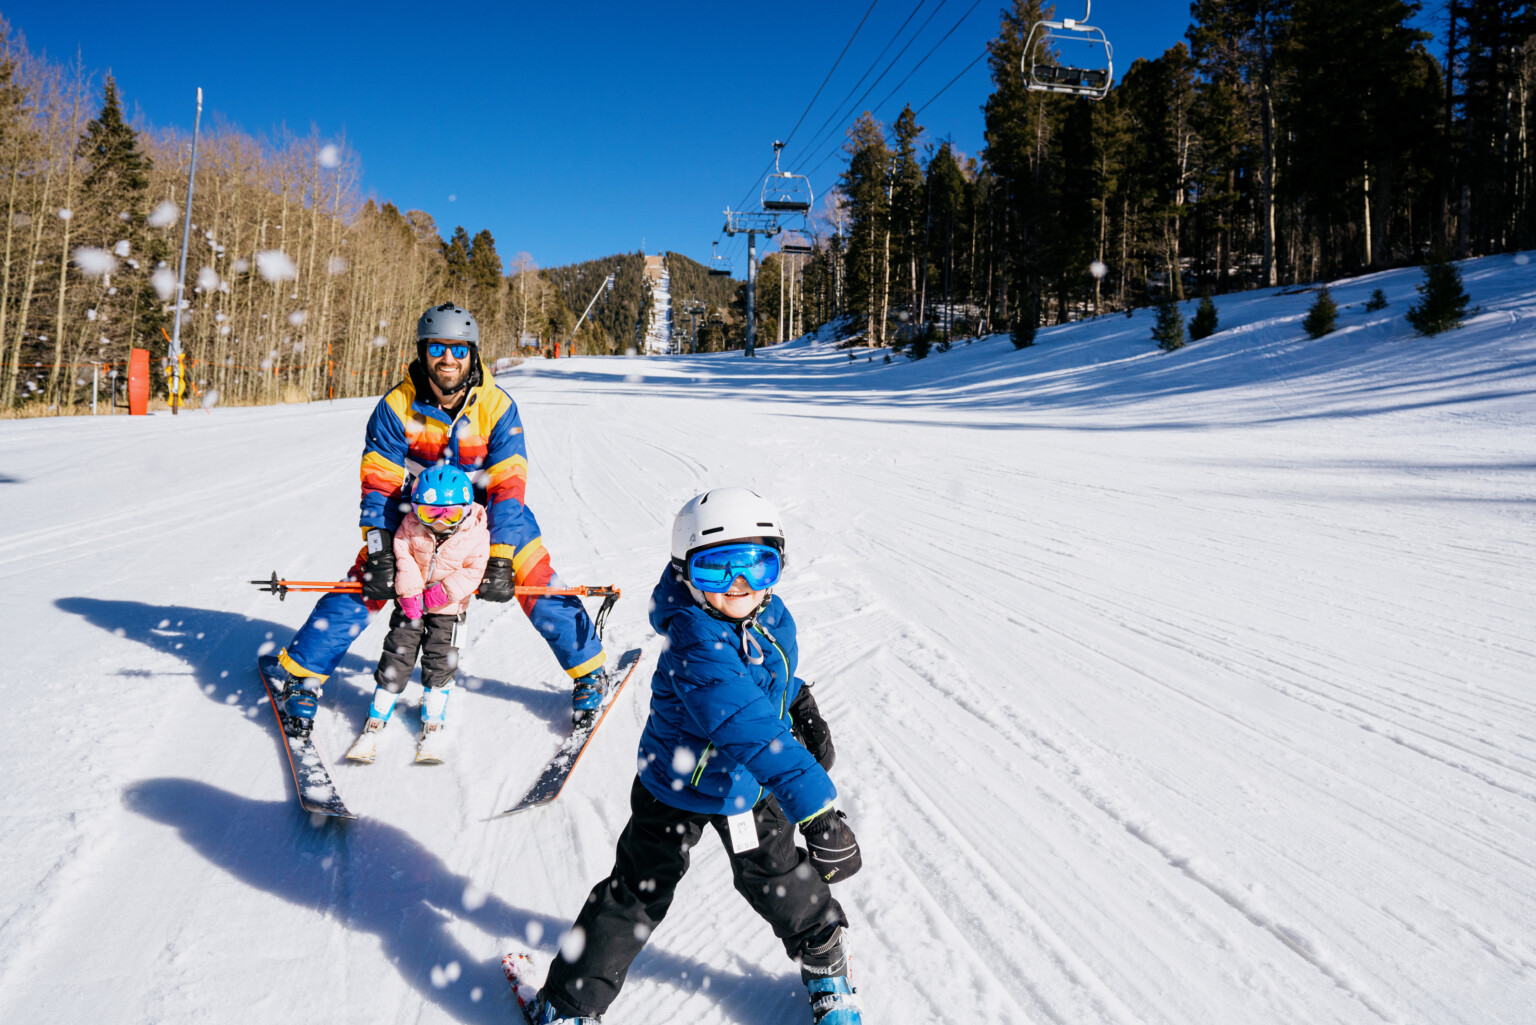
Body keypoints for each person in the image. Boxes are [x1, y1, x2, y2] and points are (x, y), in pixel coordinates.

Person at [530, 488, 863, 1025]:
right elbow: (740, 718)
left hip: (745, 790)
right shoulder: (691, 635)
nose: (740, 586)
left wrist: (796, 696)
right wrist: (819, 810)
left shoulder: (771, 616)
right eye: (716, 570)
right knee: (635, 896)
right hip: (675, 789)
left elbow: (758, 679)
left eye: (758, 565)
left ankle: (827, 963)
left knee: (781, 881)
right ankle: (569, 1004)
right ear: (685, 573)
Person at [257, 302, 607, 740]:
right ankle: (302, 676)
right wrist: (382, 548)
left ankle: (590, 672)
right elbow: (379, 483)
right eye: (438, 348)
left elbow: (508, 485)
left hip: (486, 511)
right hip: (420, 513)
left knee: (533, 574)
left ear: (473, 354)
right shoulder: (396, 406)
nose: (448, 359)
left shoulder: (498, 406)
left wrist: (499, 557)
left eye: (459, 350)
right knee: (369, 578)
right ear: (423, 352)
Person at [345, 464, 488, 764]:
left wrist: (441, 593)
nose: (437, 522)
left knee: (440, 658)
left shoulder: (476, 533)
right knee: (398, 654)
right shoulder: (410, 527)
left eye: (448, 514)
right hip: (410, 605)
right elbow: (404, 557)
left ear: (465, 508)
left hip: (449, 608)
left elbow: (473, 572)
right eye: (429, 514)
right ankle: (376, 717)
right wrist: (410, 595)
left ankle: (433, 718)